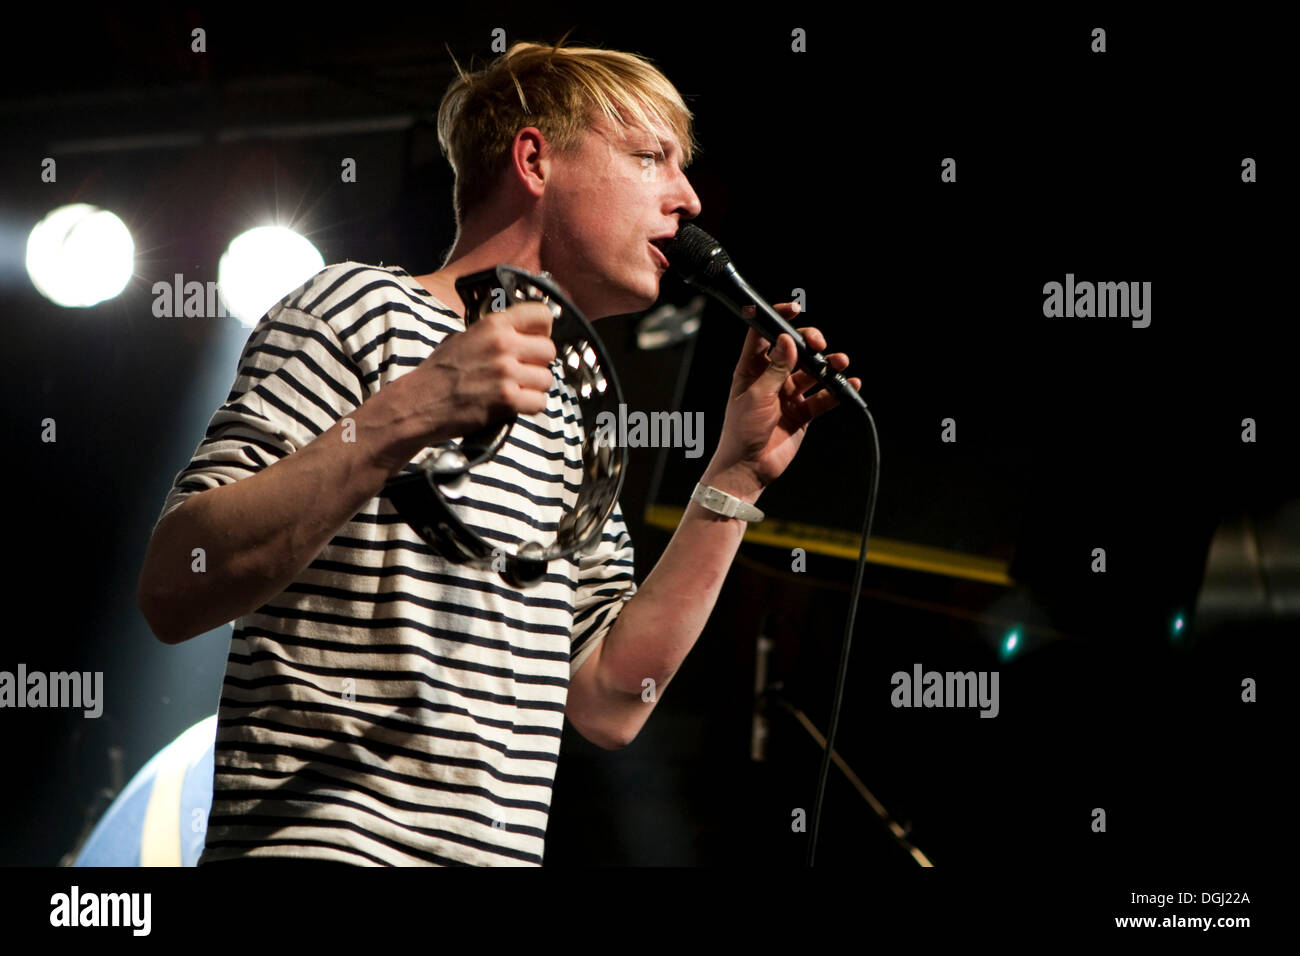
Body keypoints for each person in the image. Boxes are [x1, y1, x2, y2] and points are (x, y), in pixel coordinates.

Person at [136, 39, 860, 867]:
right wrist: (410, 413)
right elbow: (174, 584)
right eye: (650, 157)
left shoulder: (578, 417)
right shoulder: (355, 307)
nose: (688, 197)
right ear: (534, 159)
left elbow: (610, 701)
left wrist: (734, 475)